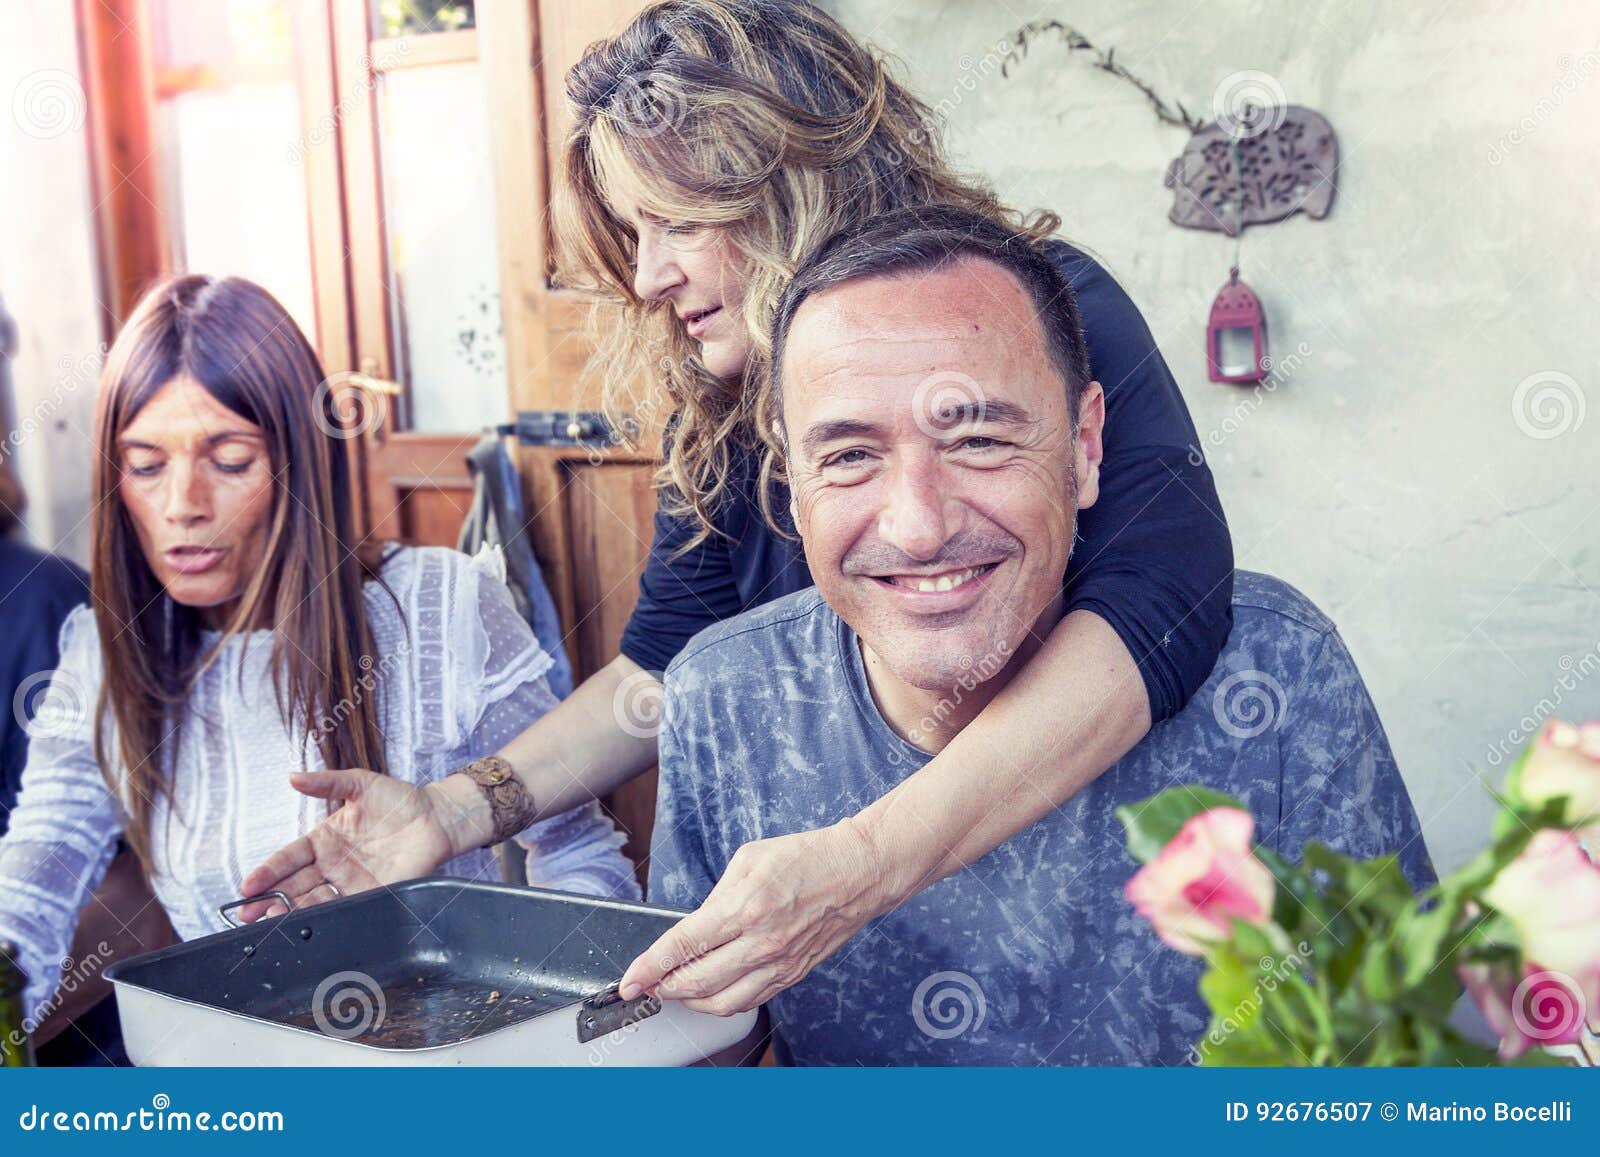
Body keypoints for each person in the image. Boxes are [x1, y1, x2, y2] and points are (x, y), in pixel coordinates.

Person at [241, 0, 1234, 1015]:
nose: (646, 273)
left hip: (1097, 921)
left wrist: (863, 862)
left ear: (787, 185)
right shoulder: (722, 415)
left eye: (677, 222)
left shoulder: (1029, 313)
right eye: (636, 231)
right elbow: (659, 674)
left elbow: (1163, 604)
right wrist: (453, 810)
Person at [649, 205, 1435, 1064]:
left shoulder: (1279, 678)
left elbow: (1414, 1070)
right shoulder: (724, 704)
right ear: (792, 477)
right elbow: (687, 1069)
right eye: (847, 456)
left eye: (980, 439)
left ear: (1085, 445)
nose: (918, 526)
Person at [0, 275, 637, 1023]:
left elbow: (577, 855)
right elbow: (34, 883)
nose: (182, 504)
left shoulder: (440, 605)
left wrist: (554, 1038)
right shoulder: (102, 657)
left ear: (298, 459)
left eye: (229, 460)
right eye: (145, 466)